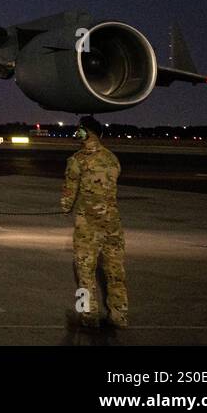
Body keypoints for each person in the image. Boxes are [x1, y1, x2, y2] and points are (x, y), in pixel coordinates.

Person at [60, 114, 128, 328]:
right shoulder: (112, 158)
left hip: (87, 225)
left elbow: (69, 193)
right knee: (115, 272)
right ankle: (119, 316)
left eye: (79, 130)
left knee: (84, 271)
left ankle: (87, 316)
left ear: (86, 133)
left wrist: (64, 206)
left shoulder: (77, 160)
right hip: (112, 224)